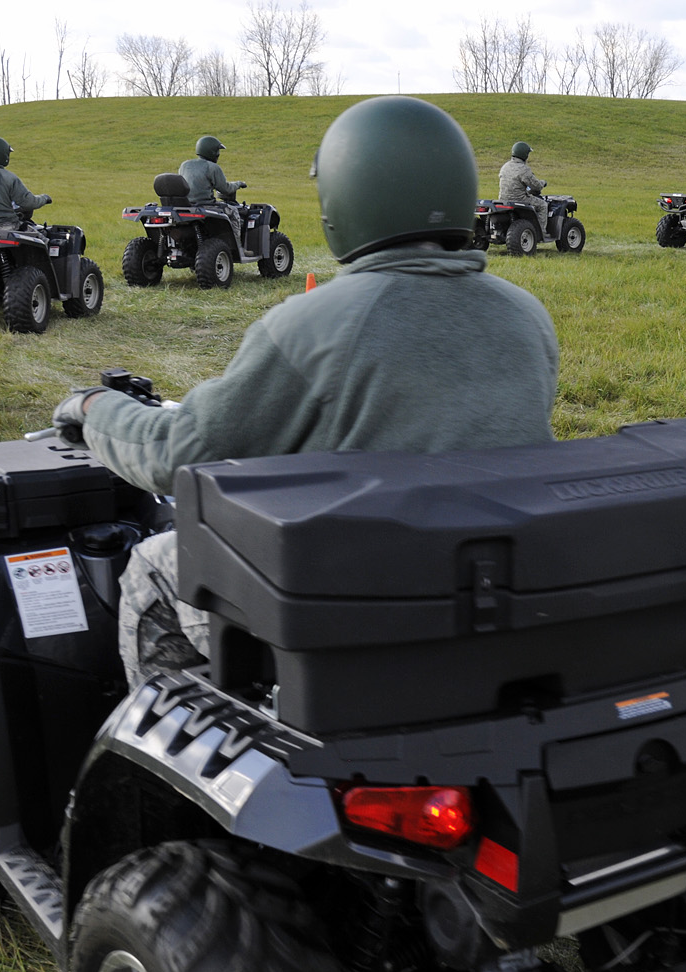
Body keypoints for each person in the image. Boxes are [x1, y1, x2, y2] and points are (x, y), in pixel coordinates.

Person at [51, 96, 560, 687]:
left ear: (346, 196)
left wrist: (95, 408)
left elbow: (178, 454)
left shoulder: (315, 323)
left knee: (153, 567)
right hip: (492, 593)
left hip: (354, 607)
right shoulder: (527, 317)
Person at [180, 135, 245, 205]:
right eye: (217, 151)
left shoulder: (185, 165)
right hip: (205, 204)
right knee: (234, 210)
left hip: (186, 204)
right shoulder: (212, 167)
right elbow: (226, 189)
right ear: (212, 152)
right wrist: (239, 184)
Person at [497, 141, 548, 231]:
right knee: (543, 205)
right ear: (525, 155)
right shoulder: (523, 169)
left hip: (503, 200)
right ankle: (540, 232)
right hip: (519, 199)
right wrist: (543, 183)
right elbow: (537, 186)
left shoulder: (505, 166)